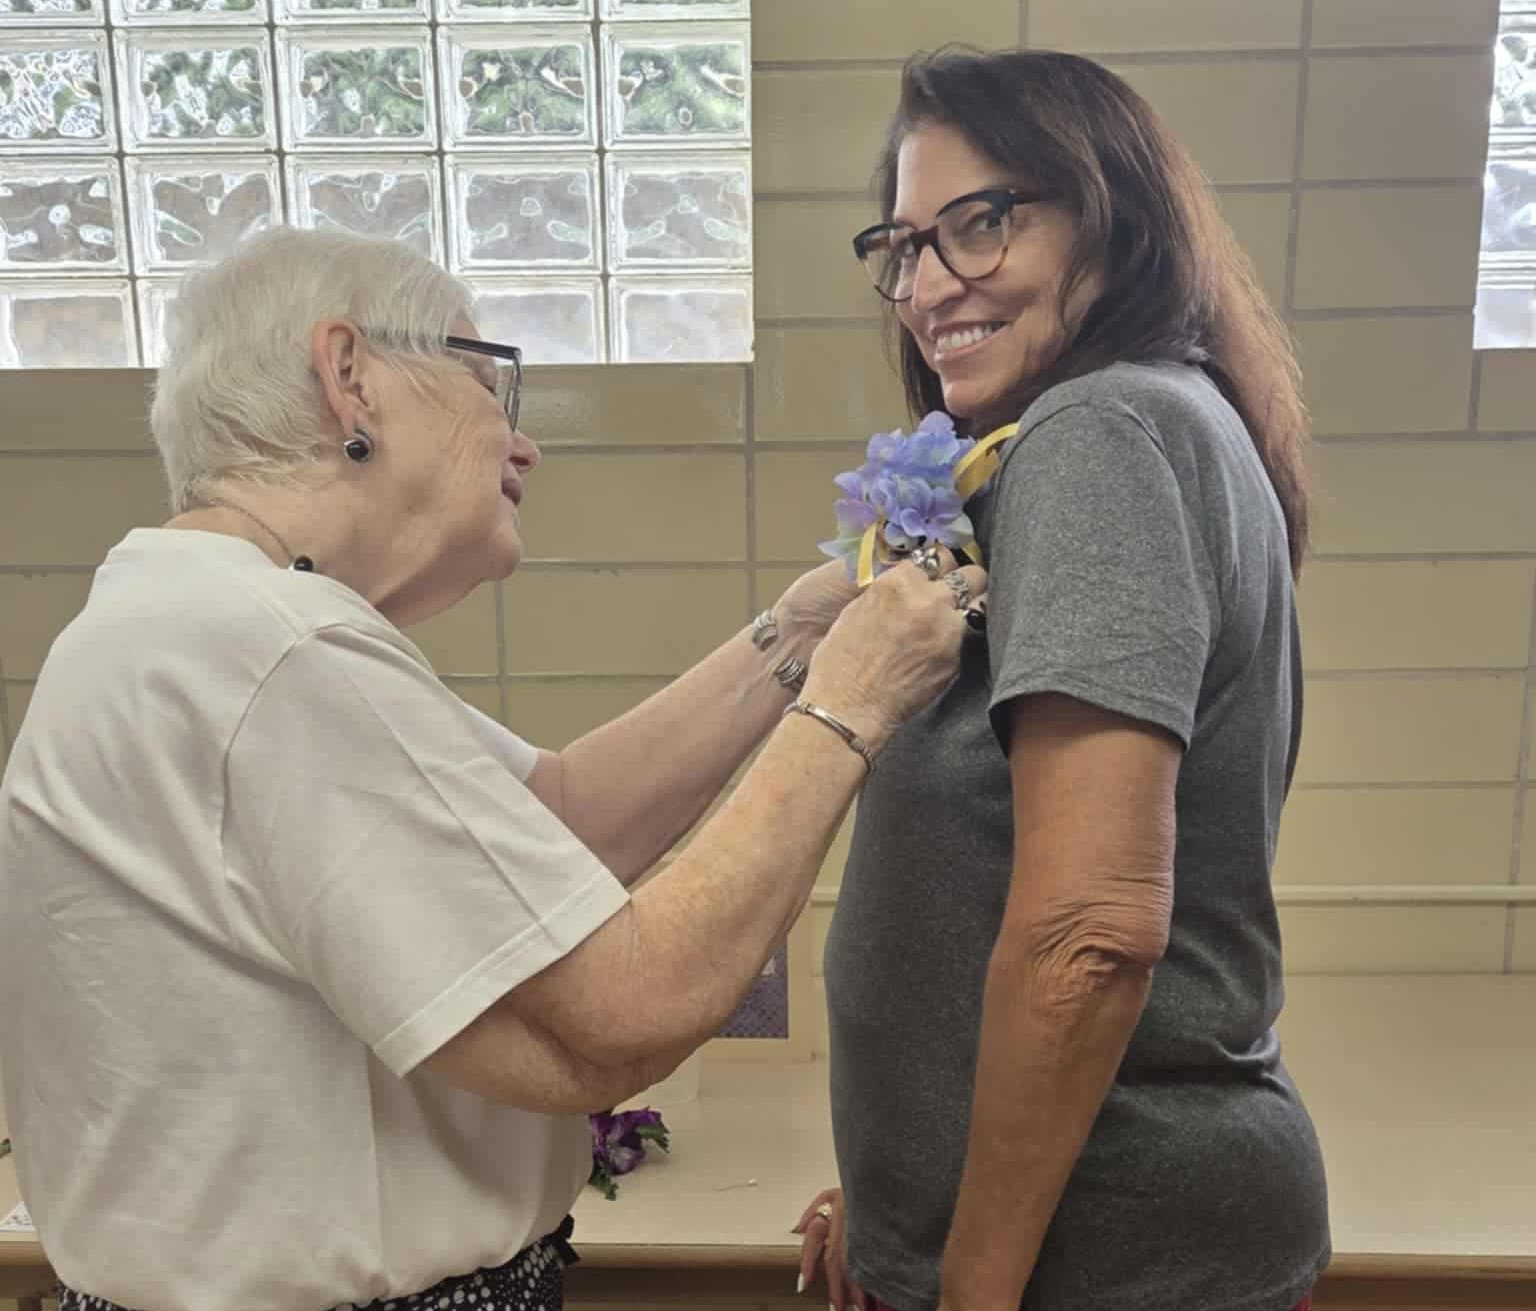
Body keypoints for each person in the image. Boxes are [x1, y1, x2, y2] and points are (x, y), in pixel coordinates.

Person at [0, 227, 988, 1311]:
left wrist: (802, 634)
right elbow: (631, 1006)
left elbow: (560, 817)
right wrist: (850, 706)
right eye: (489, 383)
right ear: (350, 377)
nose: (523, 448)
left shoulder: (187, 616)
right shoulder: (271, 653)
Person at [794, 47, 1327, 1311]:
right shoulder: (1140, 422)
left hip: (1106, 1261)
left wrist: (970, 1289)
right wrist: (897, 1200)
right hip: (1072, 1240)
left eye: (981, 225)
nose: (929, 287)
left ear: (1114, 216)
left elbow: (1091, 939)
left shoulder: (1101, 434)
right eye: (906, 244)